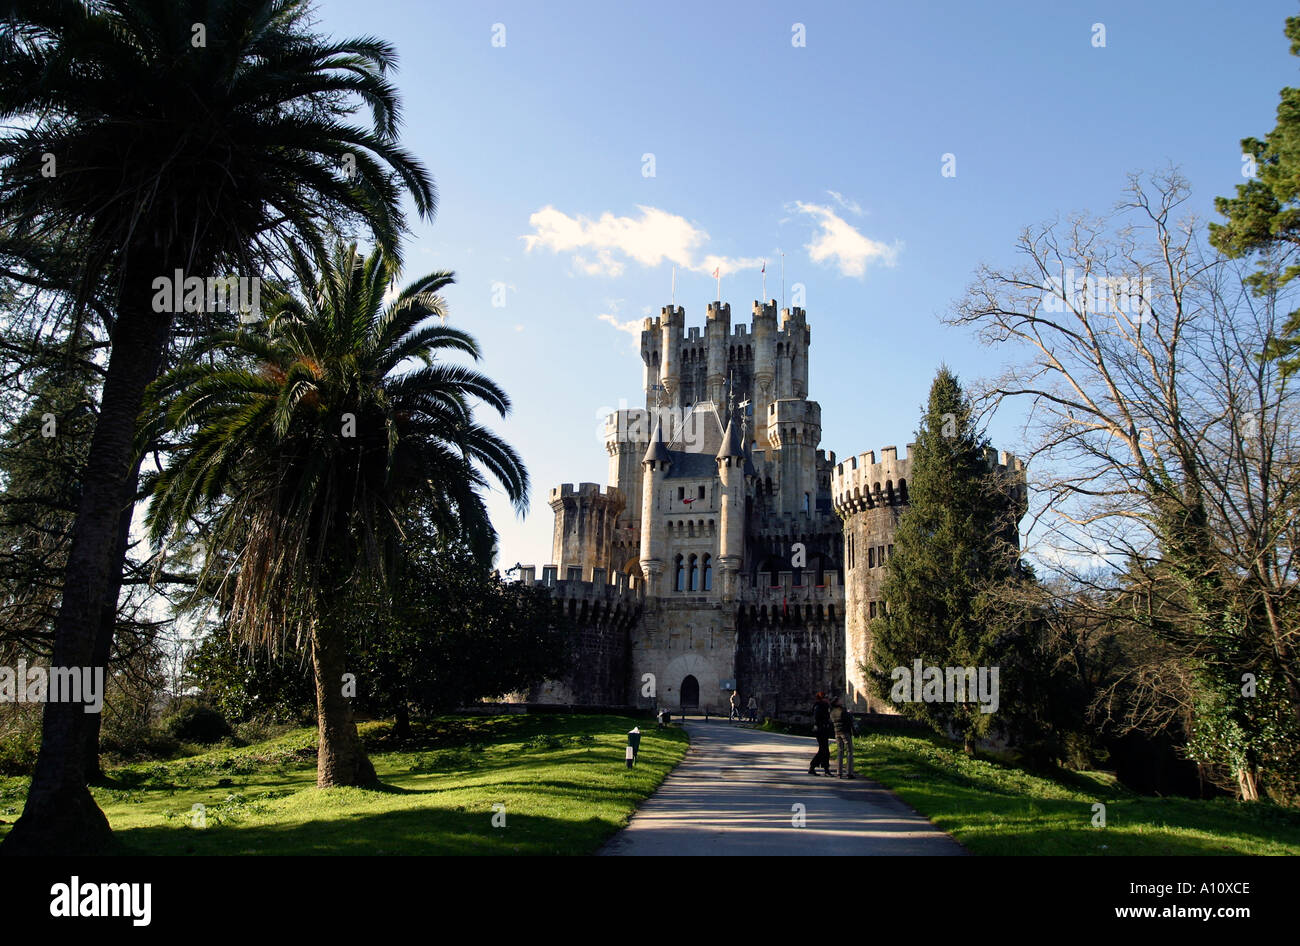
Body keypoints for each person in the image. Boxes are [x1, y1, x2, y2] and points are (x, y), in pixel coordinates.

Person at [831, 695, 855, 779]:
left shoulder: (832, 712)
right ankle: (849, 772)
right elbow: (848, 720)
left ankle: (839, 772)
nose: (841, 701)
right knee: (849, 751)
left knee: (840, 751)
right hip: (845, 731)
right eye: (839, 700)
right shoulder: (842, 711)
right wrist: (850, 714)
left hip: (837, 732)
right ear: (837, 702)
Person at [809, 692, 832, 776]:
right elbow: (817, 719)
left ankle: (815, 767)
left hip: (824, 730)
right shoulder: (819, 706)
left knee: (823, 750)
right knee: (824, 750)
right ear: (822, 699)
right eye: (825, 698)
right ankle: (824, 769)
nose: (827, 699)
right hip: (820, 730)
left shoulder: (824, 706)